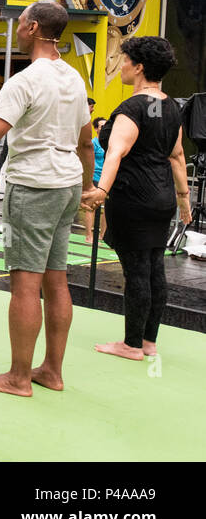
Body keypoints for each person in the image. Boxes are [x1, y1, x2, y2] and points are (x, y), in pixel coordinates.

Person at [0, 0, 94, 398]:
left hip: (32, 187)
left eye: (19, 22)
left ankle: (18, 377)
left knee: (25, 283)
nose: (16, 27)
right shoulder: (75, 80)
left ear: (30, 27)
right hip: (66, 186)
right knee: (56, 280)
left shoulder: (24, 81)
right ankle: (52, 372)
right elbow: (85, 144)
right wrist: (85, 188)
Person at [81, 37, 189, 362]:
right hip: (162, 197)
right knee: (155, 268)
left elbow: (116, 151)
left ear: (139, 67)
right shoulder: (168, 106)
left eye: (125, 60)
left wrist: (100, 190)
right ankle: (148, 341)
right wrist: (183, 201)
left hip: (134, 197)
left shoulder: (132, 108)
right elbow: (178, 155)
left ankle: (131, 344)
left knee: (137, 271)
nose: (122, 65)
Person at [84, 116, 107, 244]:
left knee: (107, 208)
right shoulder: (93, 143)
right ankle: (89, 235)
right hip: (95, 177)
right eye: (101, 126)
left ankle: (102, 235)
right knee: (91, 206)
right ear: (96, 129)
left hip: (106, 178)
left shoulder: (110, 142)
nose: (104, 128)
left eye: (106, 125)